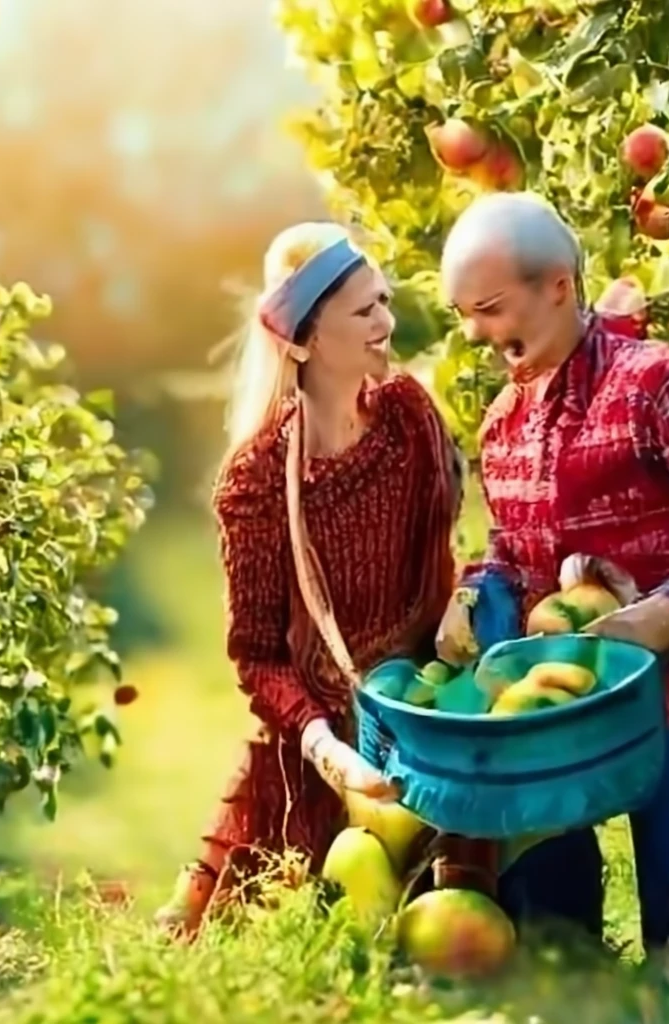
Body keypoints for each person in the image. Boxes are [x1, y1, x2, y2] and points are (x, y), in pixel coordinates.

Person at [435, 191, 669, 956]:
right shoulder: (505, 420)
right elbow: (515, 544)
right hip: (560, 721)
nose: (475, 332)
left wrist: (662, 616)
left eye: (491, 307)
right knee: (556, 945)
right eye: (465, 313)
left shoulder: (665, 386)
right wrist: (476, 589)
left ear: (559, 286)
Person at [154, 222, 477, 938]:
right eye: (365, 311)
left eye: (385, 302)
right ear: (304, 339)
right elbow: (258, 657)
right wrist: (329, 749)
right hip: (322, 751)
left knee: (458, 924)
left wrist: (462, 606)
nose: (387, 324)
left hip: (432, 727)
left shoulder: (408, 416)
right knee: (281, 930)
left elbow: (444, 552)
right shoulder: (258, 479)